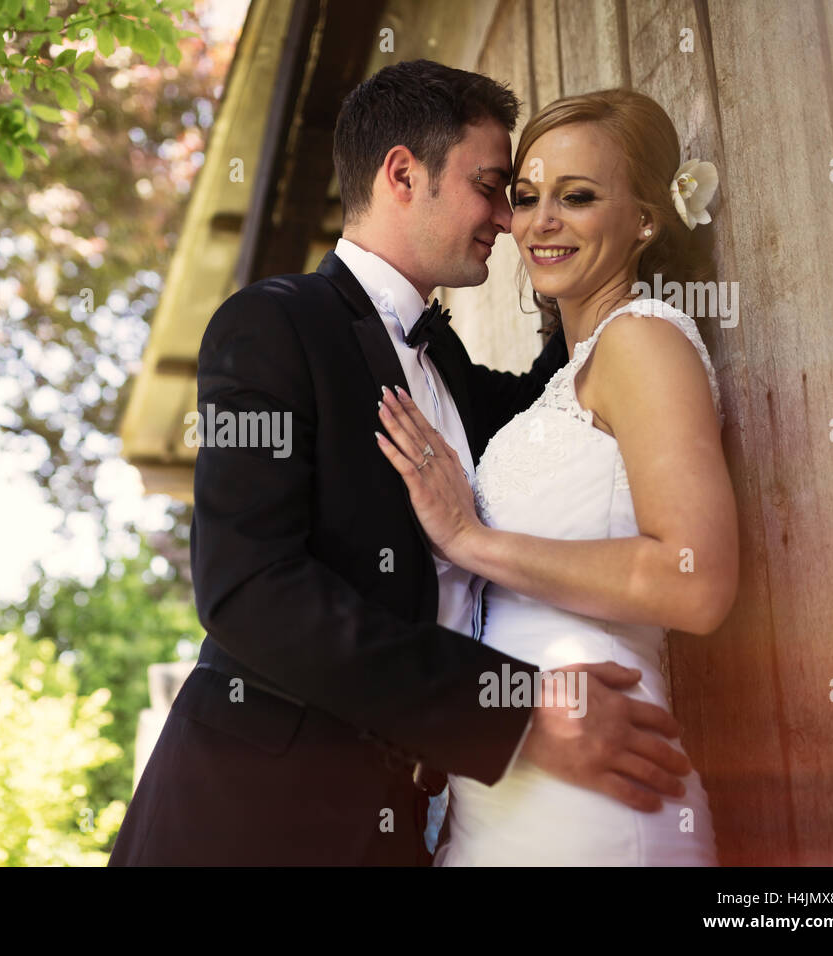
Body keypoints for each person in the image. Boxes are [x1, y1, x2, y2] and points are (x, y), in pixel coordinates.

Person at [109, 61, 694, 867]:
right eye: (495, 188)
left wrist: (586, 244)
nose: (507, 218)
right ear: (402, 174)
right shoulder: (268, 327)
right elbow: (248, 590)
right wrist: (514, 711)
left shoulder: (443, 355)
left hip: (414, 829)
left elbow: (560, 403)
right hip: (254, 819)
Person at [376, 88, 737, 865]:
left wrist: (471, 539)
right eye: (527, 197)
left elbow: (697, 581)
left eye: (576, 198)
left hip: (598, 797)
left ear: (645, 218)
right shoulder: (564, 377)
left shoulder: (644, 342)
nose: (539, 222)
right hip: (505, 793)